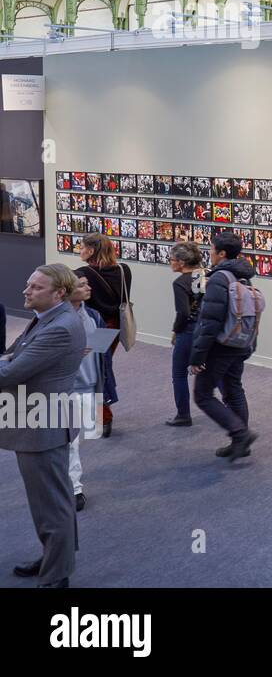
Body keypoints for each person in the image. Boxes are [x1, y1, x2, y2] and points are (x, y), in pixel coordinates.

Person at [2, 264, 86, 588]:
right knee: (54, 500)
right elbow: (14, 357)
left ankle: (56, 576)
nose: (27, 290)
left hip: (42, 425)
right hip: (42, 420)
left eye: (36, 287)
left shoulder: (59, 327)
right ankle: (55, 558)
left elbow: (9, 373)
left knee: (51, 505)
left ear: (59, 293)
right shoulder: (50, 318)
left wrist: (7, 363)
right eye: (28, 284)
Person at [189, 232, 259, 460]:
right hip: (240, 343)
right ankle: (240, 442)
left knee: (202, 394)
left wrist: (197, 357)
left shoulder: (219, 279)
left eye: (210, 251)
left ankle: (240, 434)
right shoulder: (243, 277)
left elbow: (210, 322)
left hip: (222, 346)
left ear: (221, 253)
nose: (209, 255)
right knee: (233, 389)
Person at [75, 233, 131, 437]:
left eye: (81, 247)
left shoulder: (81, 273)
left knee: (97, 371)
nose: (79, 250)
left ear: (90, 250)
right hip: (116, 325)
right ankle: (102, 416)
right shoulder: (124, 270)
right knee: (102, 366)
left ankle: (104, 418)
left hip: (97, 327)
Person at [67, 276, 104, 513]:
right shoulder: (57, 319)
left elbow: (100, 352)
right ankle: (74, 489)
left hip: (89, 384)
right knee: (69, 441)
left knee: (79, 437)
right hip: (66, 387)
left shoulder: (92, 315)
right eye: (82, 285)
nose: (88, 287)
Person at [167, 241, 205, 426]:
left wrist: (176, 331)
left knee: (179, 374)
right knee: (214, 371)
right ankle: (232, 407)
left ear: (181, 262)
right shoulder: (207, 275)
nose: (170, 263)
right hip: (208, 330)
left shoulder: (180, 282)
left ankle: (183, 415)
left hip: (189, 331)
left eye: (171, 259)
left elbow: (183, 313)